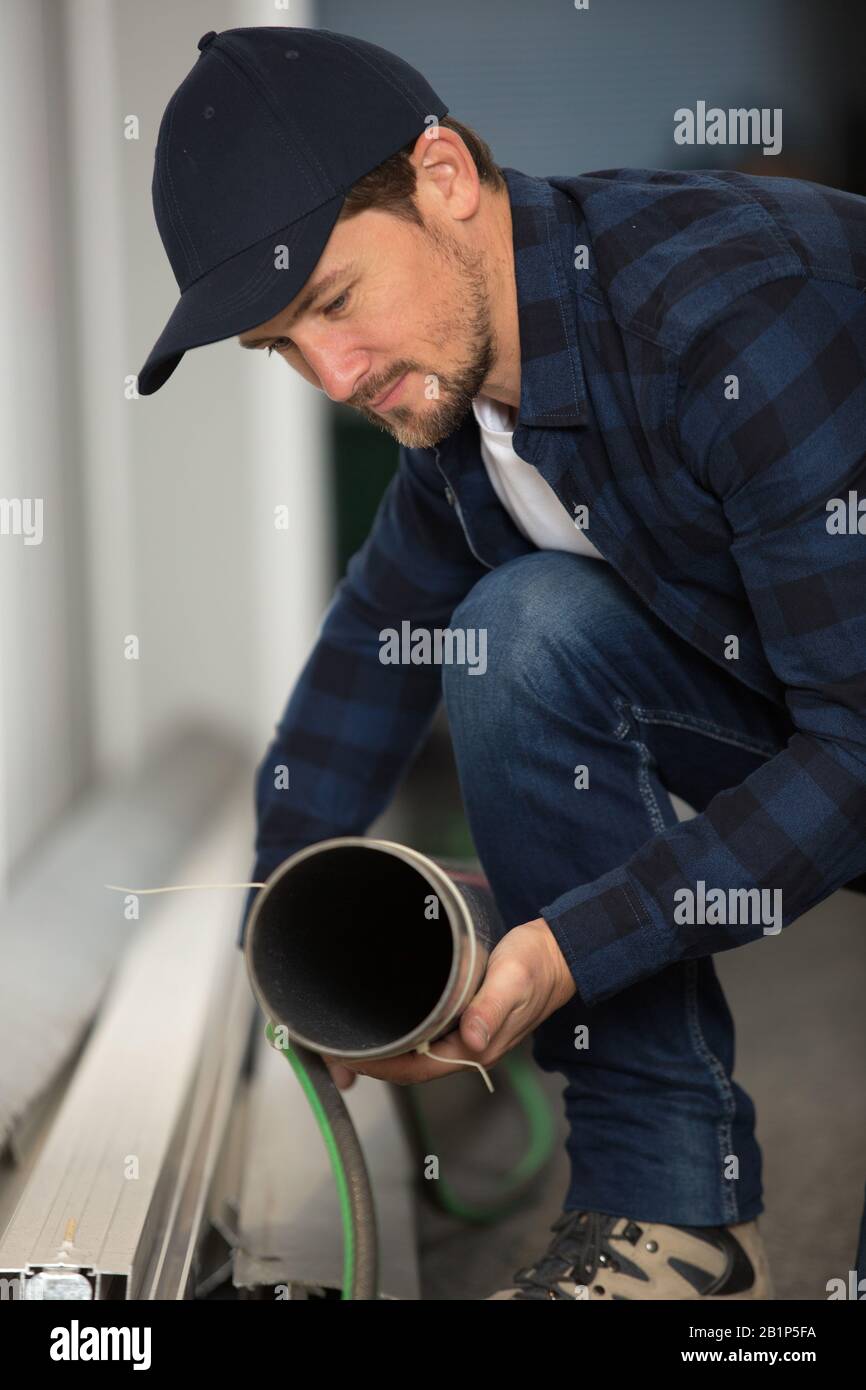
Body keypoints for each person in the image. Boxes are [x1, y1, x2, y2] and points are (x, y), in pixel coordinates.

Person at [138, 26, 866, 1301]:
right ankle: (664, 1214)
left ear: (443, 178)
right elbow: (369, 653)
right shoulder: (466, 415)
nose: (336, 377)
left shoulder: (731, 320)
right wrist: (287, 936)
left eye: (333, 304)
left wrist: (569, 947)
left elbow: (856, 753)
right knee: (513, 629)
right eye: (283, 349)